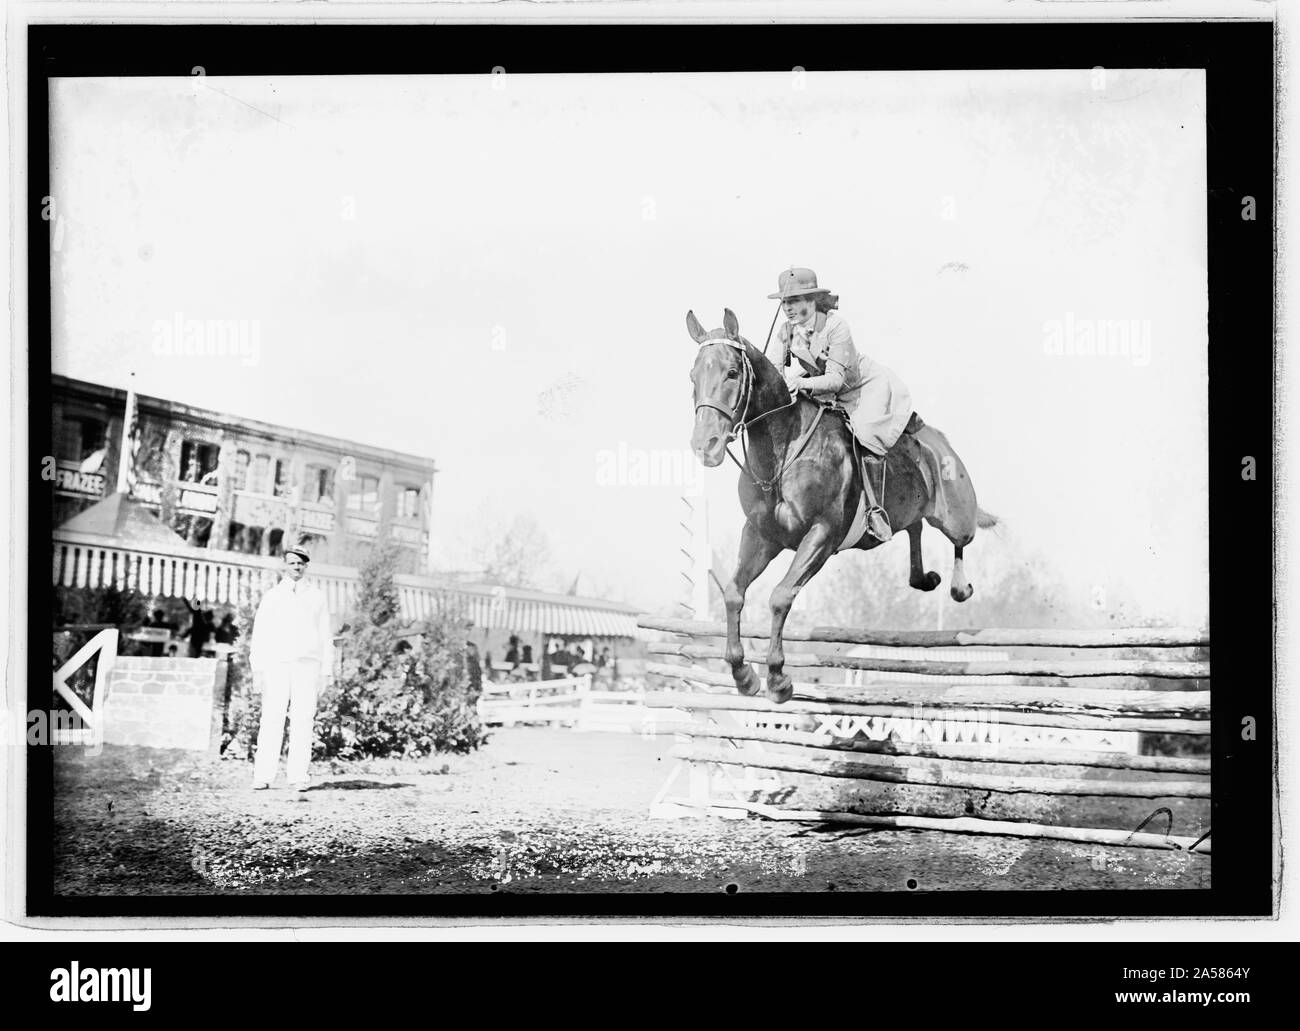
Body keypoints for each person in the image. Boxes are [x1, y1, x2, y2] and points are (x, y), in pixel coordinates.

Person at [770, 266, 913, 542]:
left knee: (865, 435)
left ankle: (874, 510)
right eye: (785, 302)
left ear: (812, 301)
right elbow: (776, 369)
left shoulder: (836, 326)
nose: (788, 308)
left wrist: (798, 384)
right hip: (819, 388)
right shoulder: (786, 331)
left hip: (860, 389)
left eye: (794, 301)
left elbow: (835, 380)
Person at [248, 544, 334, 792]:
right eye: (292, 562)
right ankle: (263, 775)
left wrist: (326, 670)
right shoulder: (273, 596)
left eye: (301, 563)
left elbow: (324, 633)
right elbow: (260, 634)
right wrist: (258, 668)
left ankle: (298, 776)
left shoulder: (316, 596)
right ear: (285, 565)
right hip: (277, 664)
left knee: (303, 719)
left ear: (306, 565)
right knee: (272, 718)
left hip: (307, 665)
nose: (296, 567)